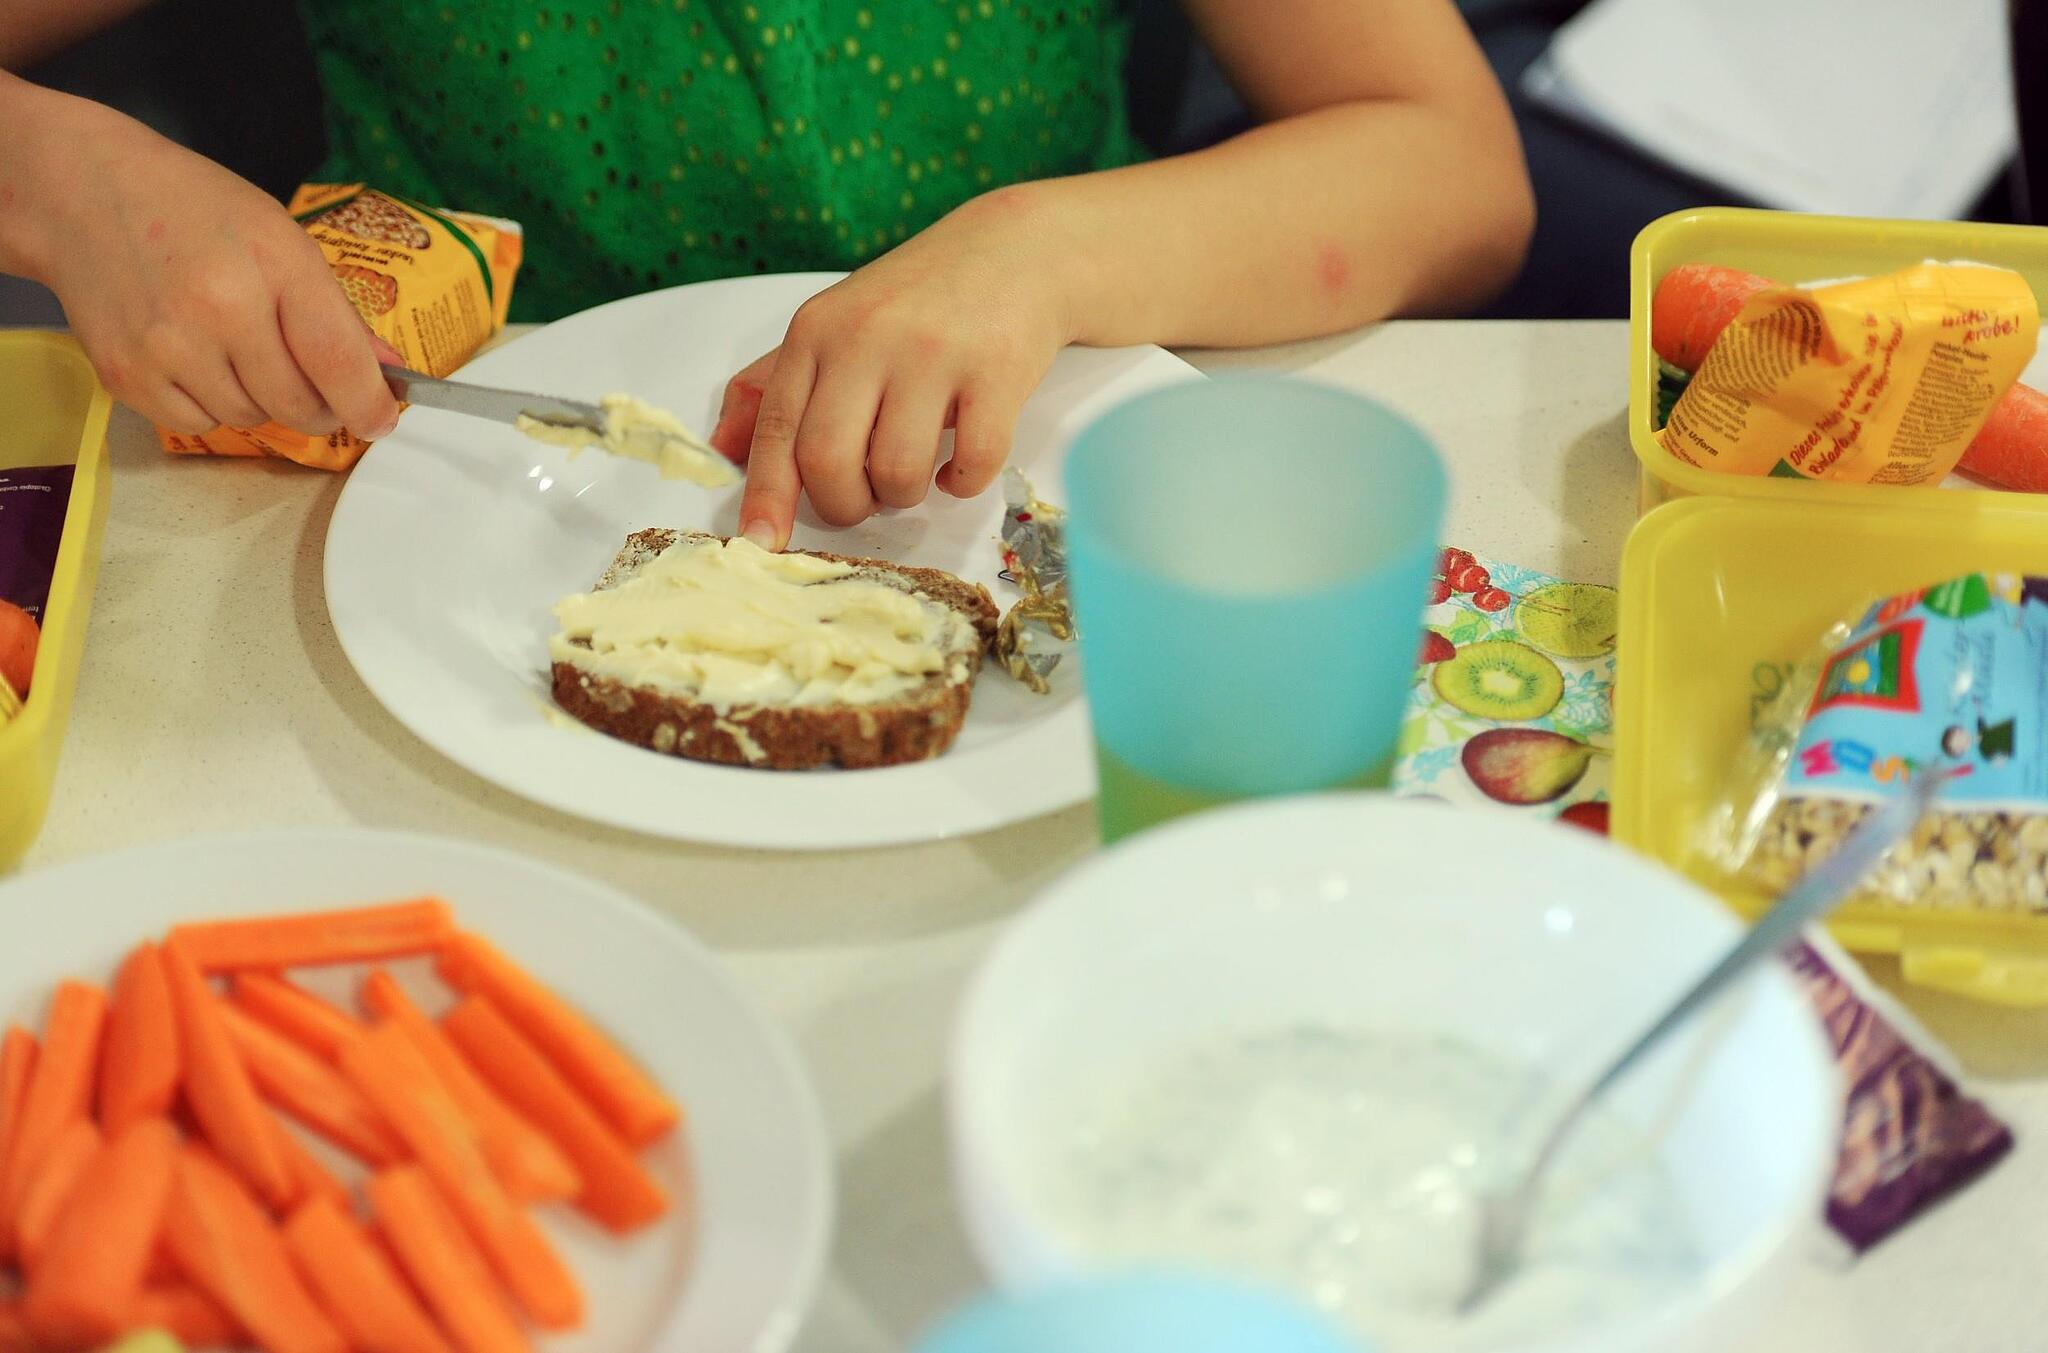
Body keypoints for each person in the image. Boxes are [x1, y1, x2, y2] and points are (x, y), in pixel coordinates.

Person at [0, 1, 1532, 550]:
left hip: (1049, 519)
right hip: (436, 524)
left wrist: (1047, 251)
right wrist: (61, 180)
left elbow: (1452, 171)